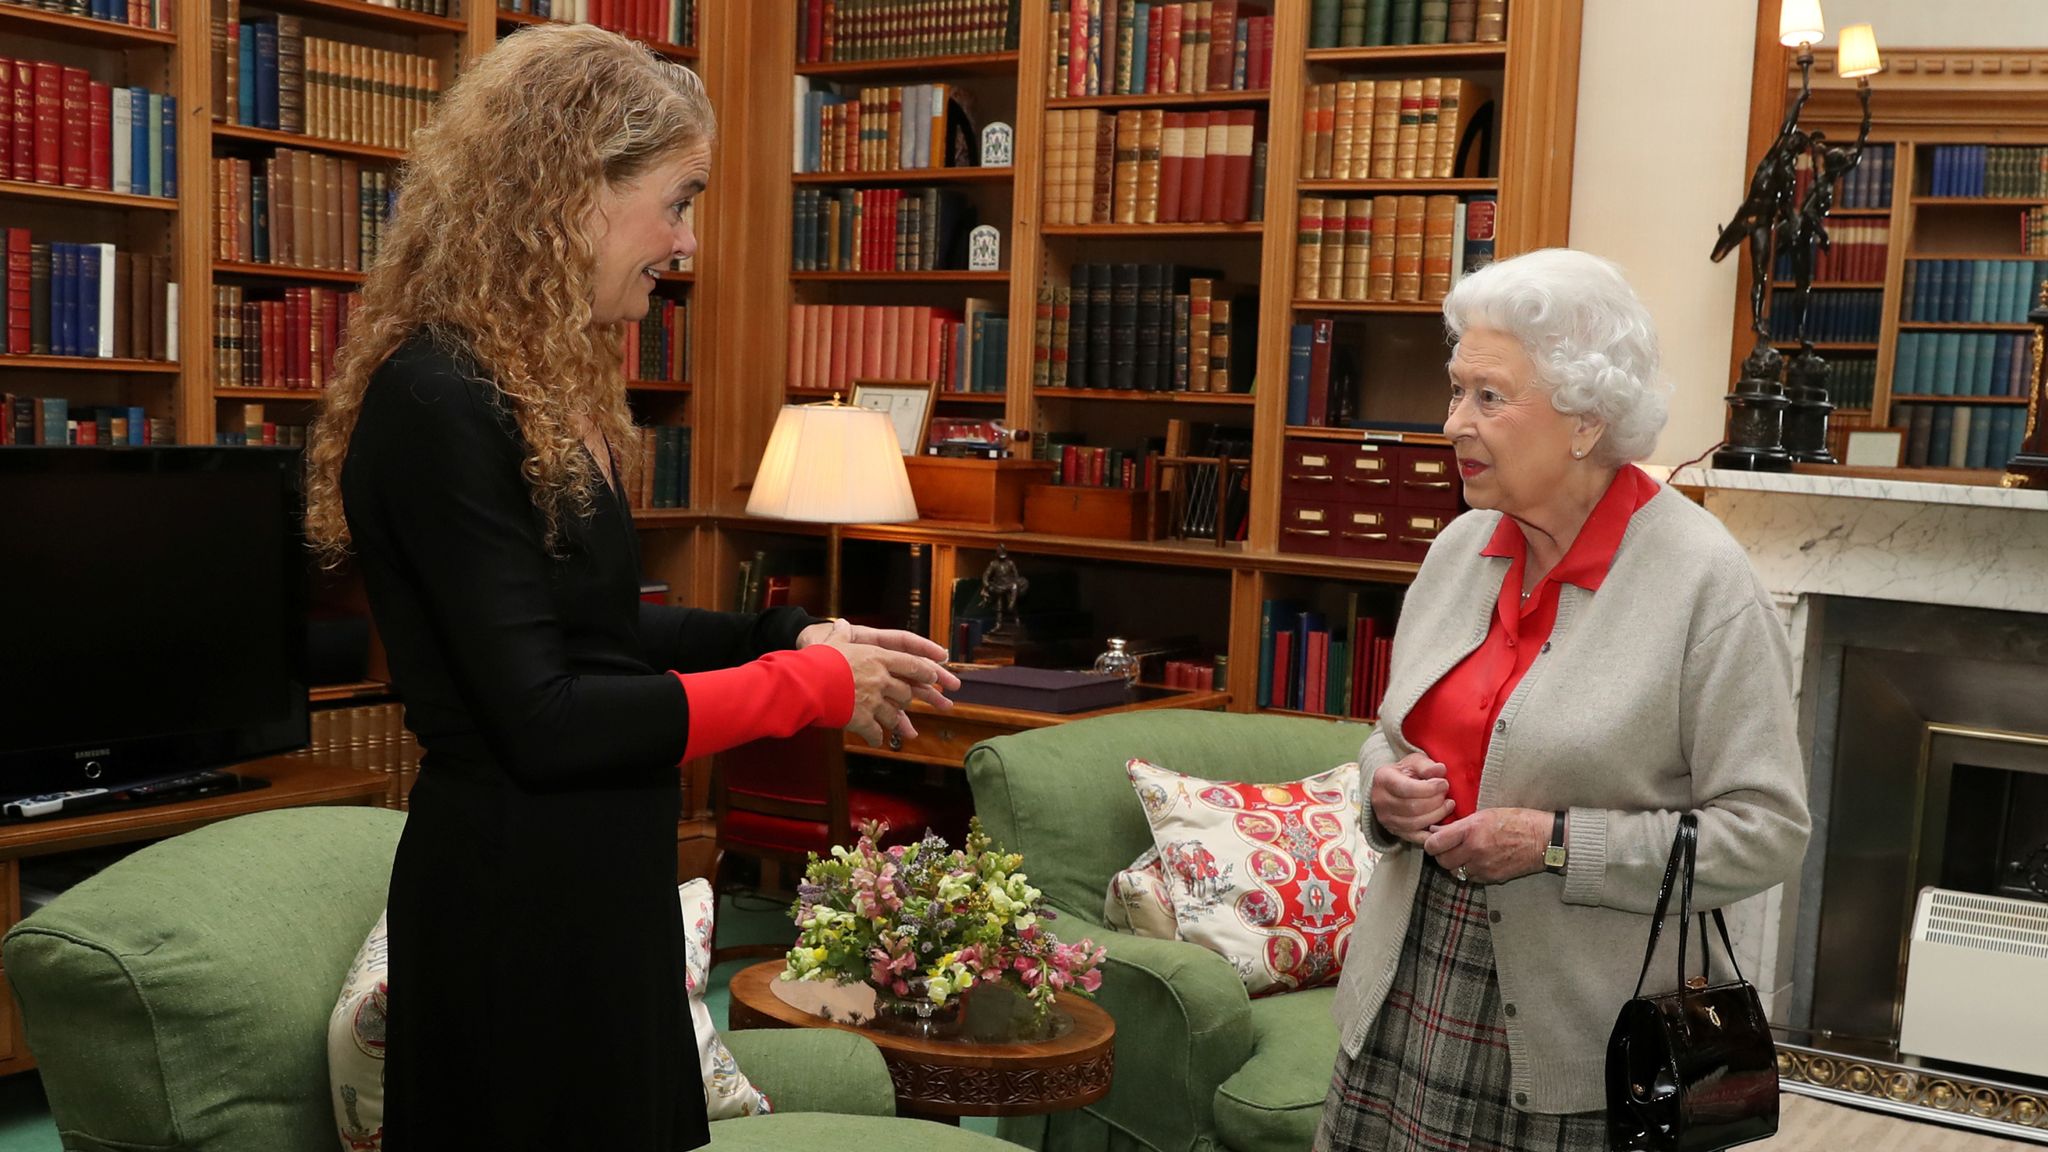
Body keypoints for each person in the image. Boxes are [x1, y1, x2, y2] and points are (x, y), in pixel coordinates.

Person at [301, 25, 959, 1151]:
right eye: (677, 202)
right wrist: (805, 688)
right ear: (571, 192)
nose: (687, 240)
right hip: (515, 912)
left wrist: (793, 631)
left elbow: (602, 632)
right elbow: (545, 716)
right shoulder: (438, 398)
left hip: (599, 884)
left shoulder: (534, 382)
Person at [1316, 249, 1811, 1152]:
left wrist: (1554, 844)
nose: (1453, 423)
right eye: (1455, 391)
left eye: (1488, 397)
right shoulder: (1458, 550)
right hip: (1405, 988)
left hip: (1582, 1036)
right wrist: (1384, 793)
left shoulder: (1705, 584)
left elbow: (1767, 832)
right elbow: (1388, 738)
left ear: (1586, 420)